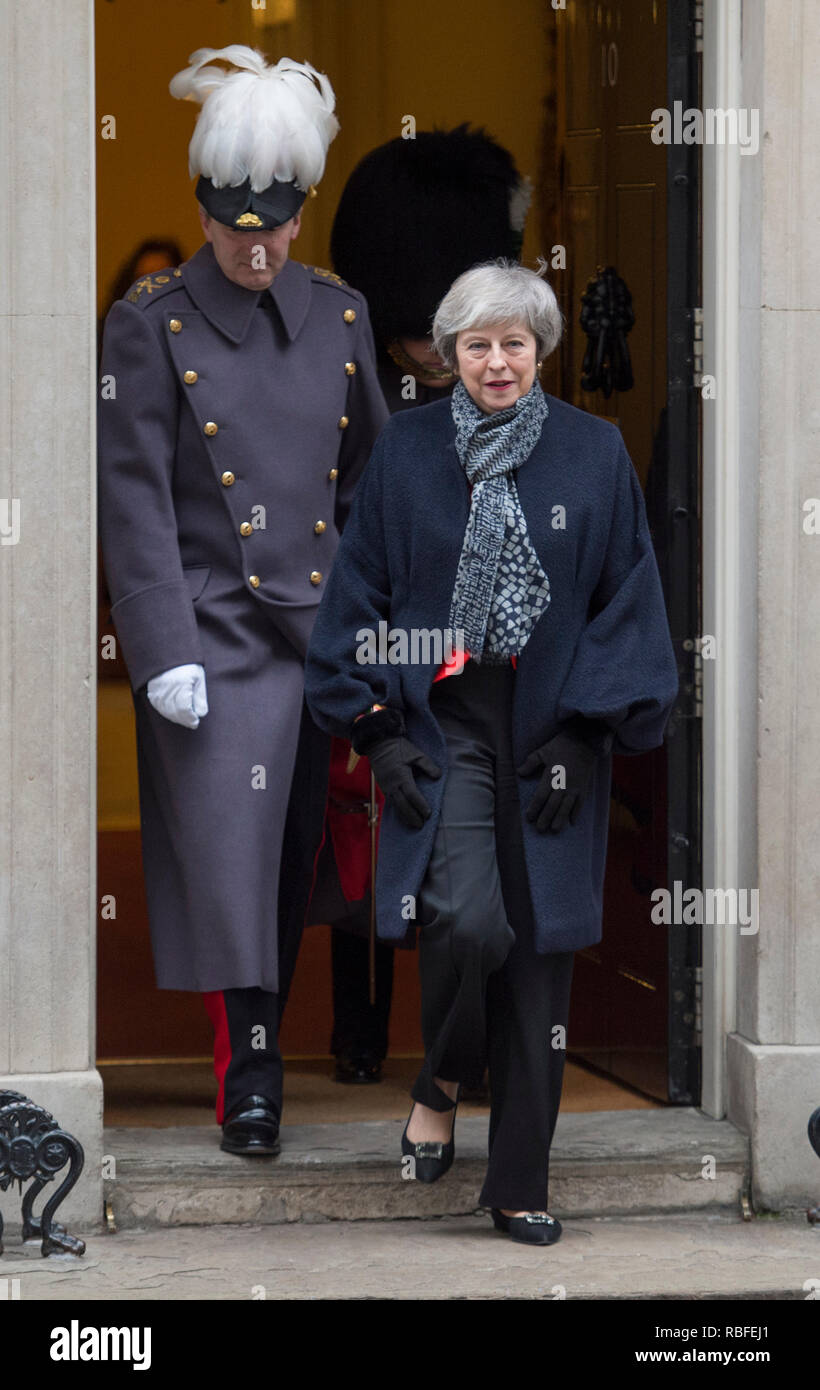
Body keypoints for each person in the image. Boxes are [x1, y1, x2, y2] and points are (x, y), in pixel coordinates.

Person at [304, 260, 679, 1243]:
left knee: (538, 960)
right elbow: (357, 602)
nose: (497, 361)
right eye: (477, 344)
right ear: (448, 356)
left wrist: (587, 733)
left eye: (515, 342)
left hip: (553, 718)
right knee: (469, 924)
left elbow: (626, 602)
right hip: (445, 720)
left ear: (540, 350)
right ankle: (438, 1077)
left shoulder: (593, 455)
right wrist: (377, 731)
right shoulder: (408, 452)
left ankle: (520, 1185)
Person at [97, 45, 388, 1156]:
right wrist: (158, 637)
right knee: (228, 851)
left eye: (273, 222)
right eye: (232, 223)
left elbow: (368, 475)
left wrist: (372, 612)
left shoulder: (344, 316)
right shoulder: (149, 321)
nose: (254, 244)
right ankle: (249, 1073)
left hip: (319, 630)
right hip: (213, 632)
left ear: (301, 210)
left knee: (296, 851)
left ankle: (274, 1041)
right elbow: (132, 500)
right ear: (203, 208)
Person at [316, 126, 530, 1086]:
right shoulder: (362, 375)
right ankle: (357, 1023)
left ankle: (463, 1050)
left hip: (472, 655)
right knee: (353, 826)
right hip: (376, 630)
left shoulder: (494, 380)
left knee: (471, 863)